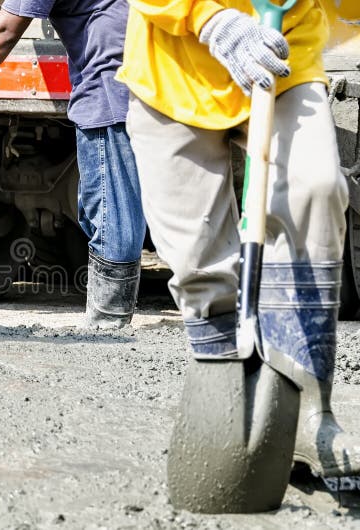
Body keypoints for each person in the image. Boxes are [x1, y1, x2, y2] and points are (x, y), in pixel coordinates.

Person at [117, 0, 360, 477]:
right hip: (173, 65)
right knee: (198, 261)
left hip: (283, 53)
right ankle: (232, 414)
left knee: (315, 188)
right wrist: (212, 20)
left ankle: (310, 412)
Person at [0, 0, 146, 330]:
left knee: (110, 210)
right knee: (107, 206)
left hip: (110, 84)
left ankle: (109, 323)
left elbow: (5, 31)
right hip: (127, 75)